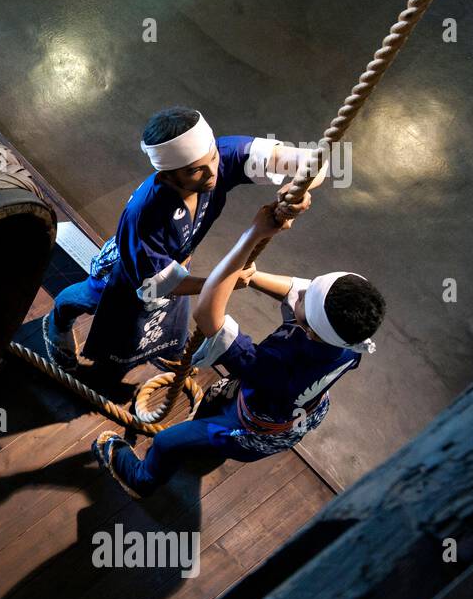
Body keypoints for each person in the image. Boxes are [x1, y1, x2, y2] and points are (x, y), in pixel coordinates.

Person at [92, 204, 385, 499]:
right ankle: (205, 444)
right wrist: (253, 278)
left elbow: (207, 315)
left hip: (254, 427)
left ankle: (143, 480)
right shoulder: (348, 341)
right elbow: (299, 292)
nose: (303, 291)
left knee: (168, 442)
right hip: (293, 409)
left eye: (307, 301)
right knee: (215, 400)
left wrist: (252, 236)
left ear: (309, 330)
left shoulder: (273, 365)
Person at [43, 107, 321, 391]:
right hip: (131, 273)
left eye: (212, 158)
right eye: (194, 171)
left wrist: (299, 190)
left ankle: (166, 350)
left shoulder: (220, 156)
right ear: (166, 177)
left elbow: (315, 162)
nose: (212, 173)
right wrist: (219, 283)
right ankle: (58, 318)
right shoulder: (145, 217)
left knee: (172, 314)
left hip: (176, 262)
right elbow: (156, 287)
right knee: (96, 297)